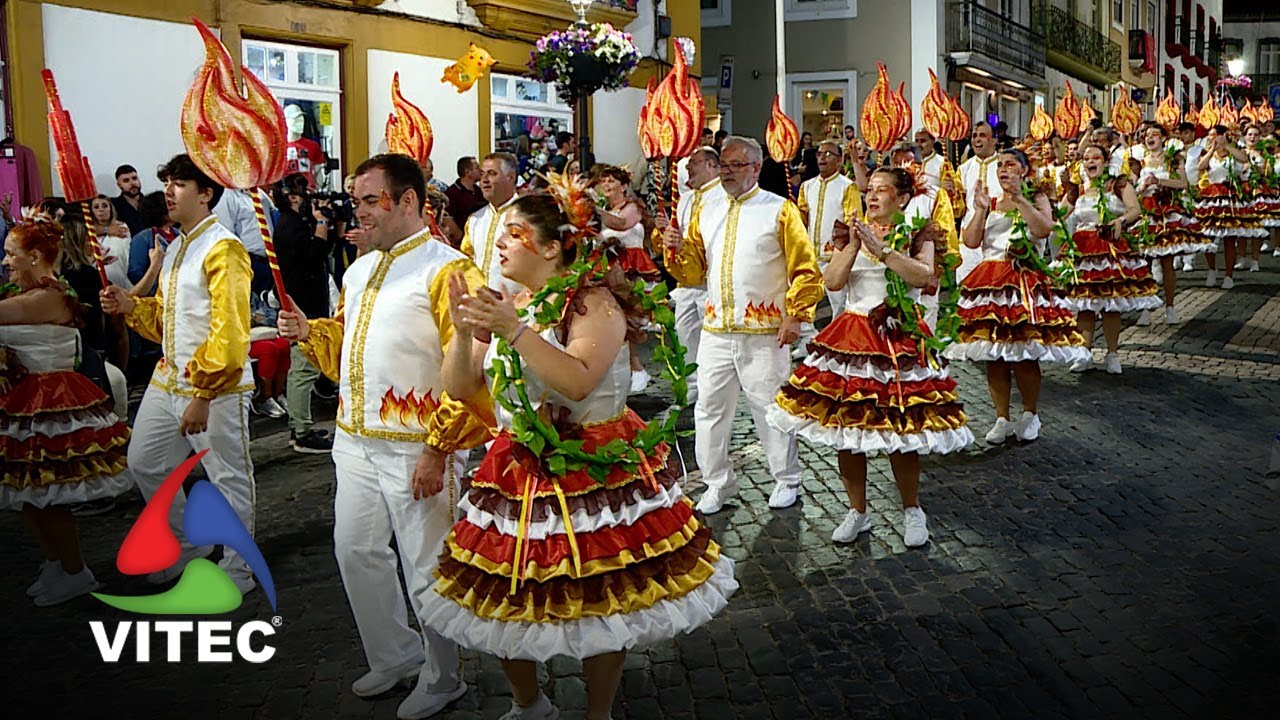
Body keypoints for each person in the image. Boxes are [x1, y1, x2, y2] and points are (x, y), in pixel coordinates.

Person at [425, 180, 737, 720]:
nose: (499, 246)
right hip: (515, 466)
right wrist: (459, 332)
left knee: (599, 598)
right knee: (504, 590)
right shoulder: (509, 302)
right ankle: (530, 703)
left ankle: (599, 713)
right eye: (500, 236)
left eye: (513, 235)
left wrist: (513, 329)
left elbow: (577, 382)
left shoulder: (594, 304)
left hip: (594, 470)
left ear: (551, 247)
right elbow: (458, 385)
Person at [276, 153, 492, 720]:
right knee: (355, 549)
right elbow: (348, 347)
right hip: (353, 438)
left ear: (410, 202)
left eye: (371, 200)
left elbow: (470, 371)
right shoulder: (357, 268)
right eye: (356, 199)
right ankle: (395, 653)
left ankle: (446, 675)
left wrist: (438, 447)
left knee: (428, 564)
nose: (359, 211)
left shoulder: (450, 271)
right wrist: (310, 331)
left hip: (417, 445)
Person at [767, 167, 973, 546]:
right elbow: (832, 281)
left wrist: (885, 251)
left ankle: (912, 509)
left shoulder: (918, 233)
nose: (873, 196)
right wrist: (856, 246)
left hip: (899, 337)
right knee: (848, 428)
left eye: (882, 190)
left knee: (901, 428)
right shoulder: (852, 233)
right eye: (870, 190)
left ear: (903, 199)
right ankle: (857, 510)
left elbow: (923, 276)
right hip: (853, 336)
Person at [99, 153, 259, 595]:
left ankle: (239, 565)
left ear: (206, 194)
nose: (168, 190)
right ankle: (186, 545)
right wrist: (132, 306)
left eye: (180, 184)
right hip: (168, 376)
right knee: (145, 461)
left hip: (214, 384)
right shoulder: (176, 247)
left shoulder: (224, 249)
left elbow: (229, 332)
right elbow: (172, 318)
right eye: (166, 181)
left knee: (226, 474)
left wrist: (204, 394)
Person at [662, 136, 824, 514]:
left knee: (769, 406)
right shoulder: (707, 210)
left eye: (736, 165)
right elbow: (692, 271)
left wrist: (795, 314)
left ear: (755, 167)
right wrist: (673, 247)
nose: (727, 172)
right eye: (724, 165)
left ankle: (786, 478)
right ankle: (716, 481)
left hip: (765, 331)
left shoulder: (779, 210)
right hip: (716, 328)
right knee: (709, 408)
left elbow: (805, 269)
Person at [1, 214, 132, 606]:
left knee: (47, 494)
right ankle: (57, 562)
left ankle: (75, 570)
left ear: (35, 256)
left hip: (51, 403)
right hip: (25, 404)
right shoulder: (24, 293)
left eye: (11, 254)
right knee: (26, 494)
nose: (5, 261)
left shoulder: (47, 297)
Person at [946, 149, 1089, 443]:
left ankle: (1029, 412)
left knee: (1023, 353)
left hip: (1024, 280)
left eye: (1010, 164)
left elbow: (1044, 229)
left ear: (1024, 170)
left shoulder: (1036, 198)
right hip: (991, 281)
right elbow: (971, 240)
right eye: (1000, 165)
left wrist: (1020, 199)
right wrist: (981, 209)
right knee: (993, 355)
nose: (1003, 169)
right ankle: (1001, 417)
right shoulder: (990, 202)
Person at [1060, 144, 1161, 374]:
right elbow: (1059, 213)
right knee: (1083, 303)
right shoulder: (1080, 187)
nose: (1089, 162)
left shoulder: (1118, 183)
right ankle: (1083, 353)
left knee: (1109, 304)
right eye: (1085, 158)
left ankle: (1112, 353)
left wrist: (1120, 221)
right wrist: (1066, 190)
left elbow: (1135, 210)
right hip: (1083, 248)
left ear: (1105, 162)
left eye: (1095, 157)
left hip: (1109, 247)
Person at [271, 173, 334, 452]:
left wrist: (329, 223)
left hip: (309, 302)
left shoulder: (296, 223)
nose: (309, 197)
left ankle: (302, 425)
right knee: (303, 368)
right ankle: (301, 430)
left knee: (306, 366)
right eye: (303, 192)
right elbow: (313, 256)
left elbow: (325, 249)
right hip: (303, 305)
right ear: (293, 197)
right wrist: (321, 223)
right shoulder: (290, 226)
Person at [658, 146, 721, 406]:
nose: (687, 169)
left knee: (712, 341)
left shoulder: (722, 198)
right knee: (684, 336)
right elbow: (670, 241)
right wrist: (663, 234)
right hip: (685, 282)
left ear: (710, 165)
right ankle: (692, 386)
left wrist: (686, 246)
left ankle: (713, 388)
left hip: (710, 283)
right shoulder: (684, 200)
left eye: (693, 163)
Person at [589, 163, 659, 393]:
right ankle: (628, 368)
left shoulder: (631, 207)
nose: (606, 184)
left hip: (631, 268)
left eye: (611, 180)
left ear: (625, 185)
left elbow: (620, 225)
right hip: (607, 268)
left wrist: (593, 210)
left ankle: (636, 367)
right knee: (612, 320)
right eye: (603, 181)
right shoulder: (601, 210)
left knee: (629, 320)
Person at [1133, 125, 1213, 324]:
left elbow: (1182, 183)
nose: (1149, 138)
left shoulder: (1173, 158)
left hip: (1166, 211)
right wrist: (1141, 187)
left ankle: (1170, 306)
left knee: (1167, 262)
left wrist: (1159, 181)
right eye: (1146, 135)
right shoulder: (1139, 161)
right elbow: (1132, 189)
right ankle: (1146, 307)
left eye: (1154, 135)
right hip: (1146, 212)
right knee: (1145, 263)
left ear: (1163, 138)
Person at [796, 139, 862, 354]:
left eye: (828, 154)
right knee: (804, 299)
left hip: (835, 256)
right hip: (810, 254)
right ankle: (807, 340)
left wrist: (845, 252)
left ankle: (838, 342)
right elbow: (801, 217)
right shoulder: (807, 186)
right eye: (820, 154)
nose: (822, 158)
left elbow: (853, 219)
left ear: (840, 160)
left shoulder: (847, 186)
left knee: (839, 302)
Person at [1195, 125, 1258, 289]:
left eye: (1215, 135)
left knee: (1229, 239)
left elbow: (1244, 159)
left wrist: (1227, 146)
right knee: (1208, 236)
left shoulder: (1235, 152)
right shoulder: (1208, 154)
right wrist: (1212, 150)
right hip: (1212, 198)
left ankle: (1229, 275)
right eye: (1210, 135)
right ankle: (1211, 270)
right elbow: (1201, 167)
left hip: (1230, 197)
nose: (1212, 137)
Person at [461, 152, 521, 295]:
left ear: (511, 177)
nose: (484, 180)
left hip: (519, 308)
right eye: (482, 174)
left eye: (492, 174)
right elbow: (467, 262)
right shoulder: (475, 220)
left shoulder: (528, 215)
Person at [956, 122, 1001, 282]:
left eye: (982, 135)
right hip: (968, 241)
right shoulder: (964, 168)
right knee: (966, 292)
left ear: (994, 140)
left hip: (998, 240)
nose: (977, 140)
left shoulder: (1003, 166)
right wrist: (950, 193)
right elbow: (958, 208)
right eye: (974, 136)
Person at [213, 187, 276, 295]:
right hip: (250, 261)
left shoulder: (258, 192)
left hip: (271, 260)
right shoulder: (227, 196)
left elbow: (274, 211)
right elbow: (226, 233)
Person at [88, 194, 132, 290]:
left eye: (105, 206)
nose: (101, 210)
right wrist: (107, 230)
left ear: (111, 209)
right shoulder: (88, 232)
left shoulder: (121, 226)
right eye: (96, 207)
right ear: (91, 211)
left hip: (119, 277)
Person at [446, 156, 486, 224]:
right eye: (477, 168)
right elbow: (448, 219)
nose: (481, 171)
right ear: (467, 172)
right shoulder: (452, 193)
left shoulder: (479, 191)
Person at [112, 164, 145, 235]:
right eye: (126, 180)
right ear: (119, 185)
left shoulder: (152, 203)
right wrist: (107, 229)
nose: (132, 183)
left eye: (134, 178)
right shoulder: (112, 205)